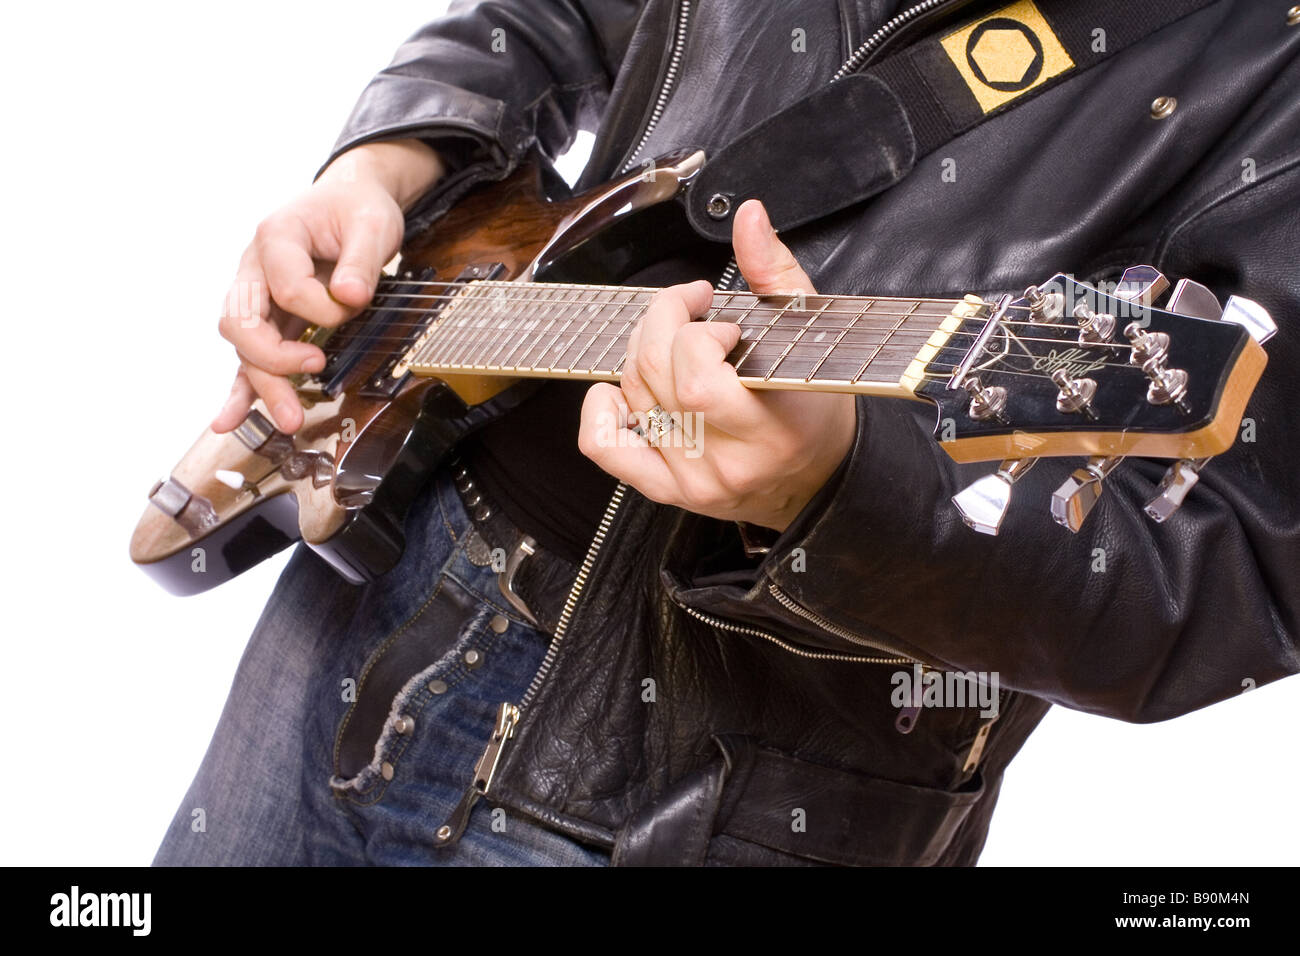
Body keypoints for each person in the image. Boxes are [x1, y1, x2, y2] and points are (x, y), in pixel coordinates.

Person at [154, 0, 1300, 866]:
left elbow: (1234, 575)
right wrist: (380, 165)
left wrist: (838, 480)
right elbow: (537, 21)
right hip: (360, 599)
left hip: (712, 795)